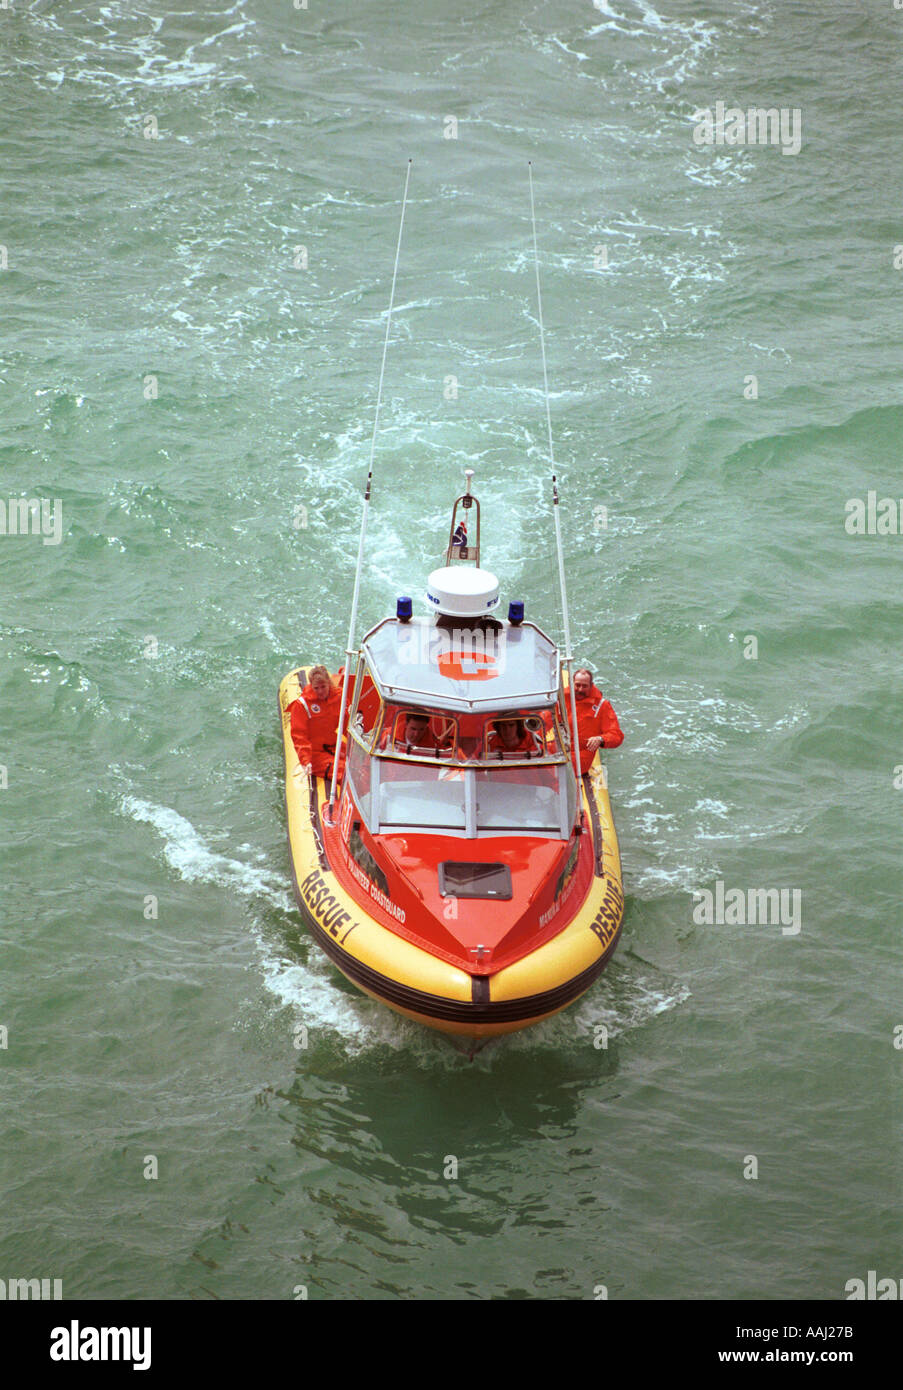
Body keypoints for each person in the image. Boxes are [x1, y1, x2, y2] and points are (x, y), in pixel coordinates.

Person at [552, 666, 623, 774]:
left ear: (591, 686)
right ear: (571, 684)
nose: (580, 689)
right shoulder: (560, 699)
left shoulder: (602, 705)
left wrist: (601, 739)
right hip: (559, 747)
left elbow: (616, 736)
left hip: (581, 755)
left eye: (584, 686)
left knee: (560, 772)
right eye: (577, 685)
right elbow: (545, 720)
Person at [289, 665, 347, 777]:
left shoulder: (340, 698)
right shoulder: (302, 705)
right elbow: (299, 735)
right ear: (311, 686)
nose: (320, 691)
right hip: (315, 753)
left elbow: (346, 725)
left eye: (323, 687)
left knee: (363, 766)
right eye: (316, 688)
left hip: (334, 745)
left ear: (329, 684)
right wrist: (305, 760)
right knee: (346, 772)